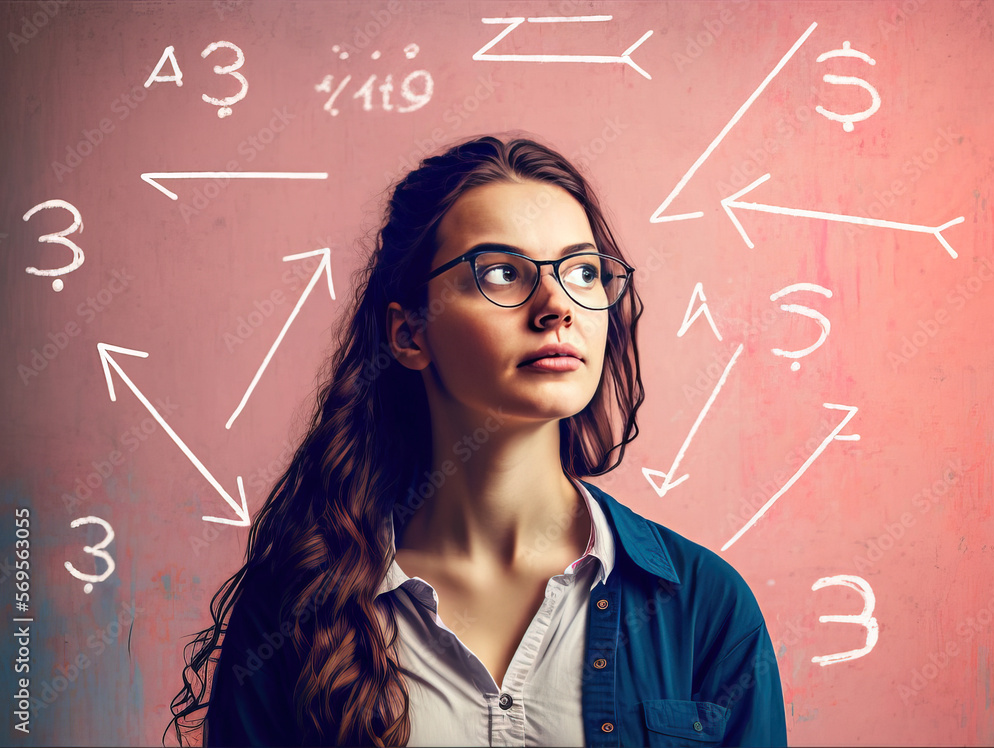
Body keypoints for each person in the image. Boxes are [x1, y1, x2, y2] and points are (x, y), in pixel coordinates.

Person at [165, 135, 786, 747]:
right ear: (410, 334)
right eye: (500, 273)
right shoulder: (294, 610)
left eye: (583, 272)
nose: (556, 307)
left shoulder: (706, 608)